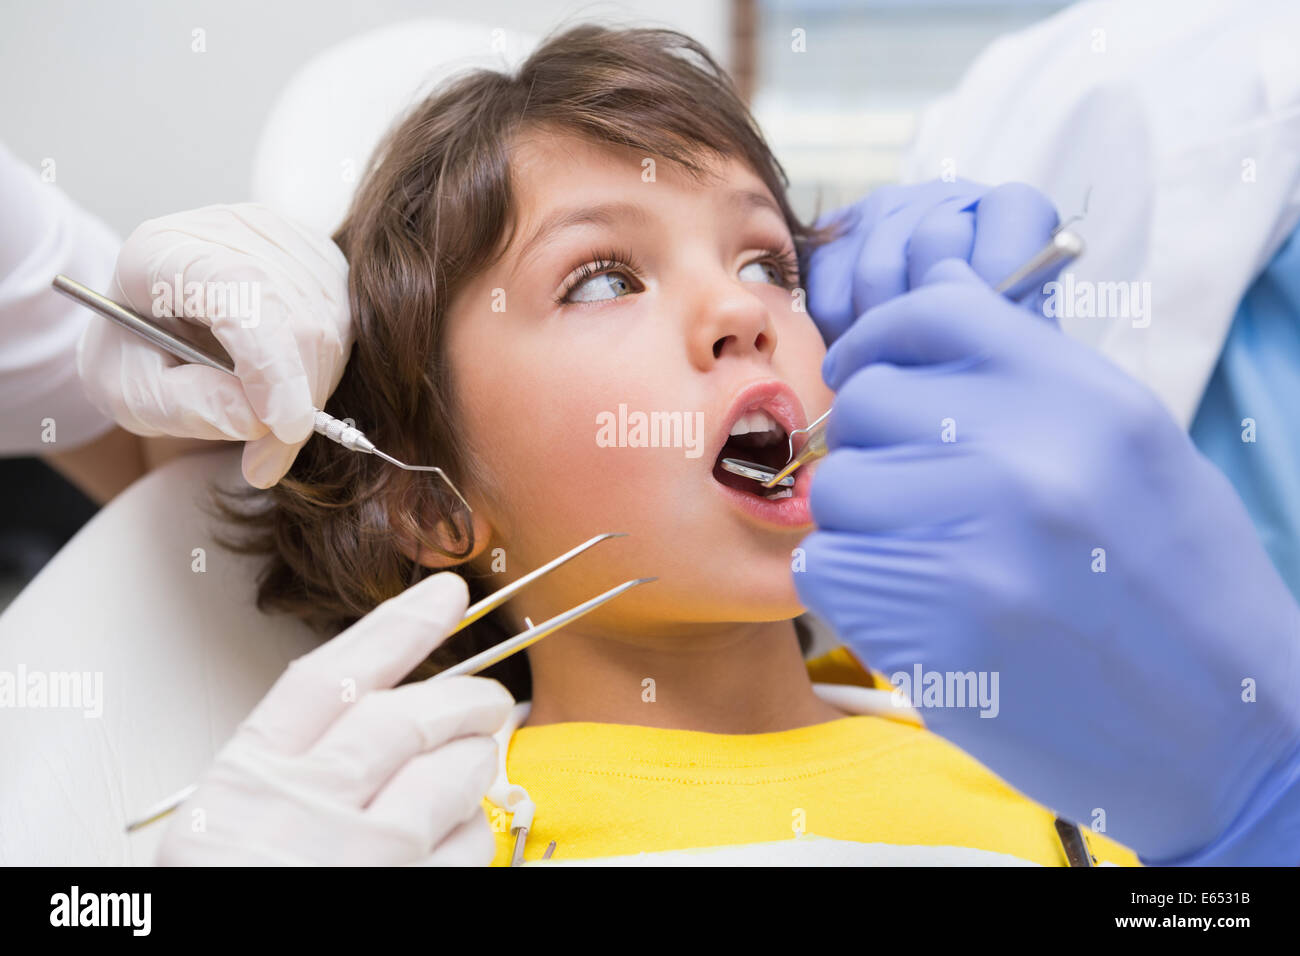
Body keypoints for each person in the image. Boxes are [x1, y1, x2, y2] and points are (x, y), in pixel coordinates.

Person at [118, 25, 1140, 866]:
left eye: (767, 260)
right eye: (603, 277)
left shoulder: (1042, 767)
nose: (740, 307)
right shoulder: (407, 832)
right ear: (428, 504)